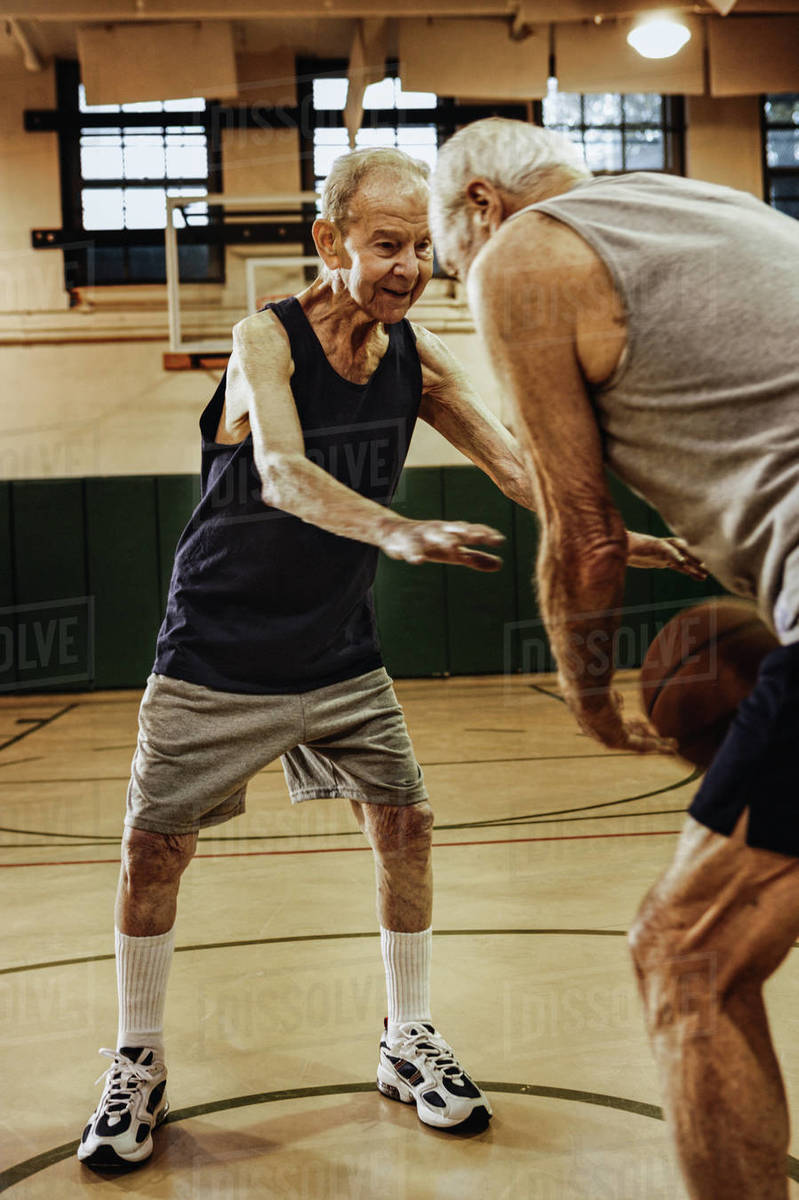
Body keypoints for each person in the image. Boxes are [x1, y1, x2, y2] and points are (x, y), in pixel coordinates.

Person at [78, 145, 702, 1170]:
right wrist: (392, 530)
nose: (411, 265)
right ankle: (138, 1061)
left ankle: (405, 1038)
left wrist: (619, 536)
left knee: (404, 822)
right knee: (155, 851)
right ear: (330, 241)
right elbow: (280, 471)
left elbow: (514, 467)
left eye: (423, 245)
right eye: (386, 244)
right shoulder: (261, 340)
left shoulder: (415, 354)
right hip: (217, 649)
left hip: (336, 653)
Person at [429, 116, 799, 1199]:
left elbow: (581, 535)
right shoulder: (713, 207)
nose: (462, 287)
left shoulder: (524, 255)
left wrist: (585, 690)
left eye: (451, 264)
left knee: (684, 956)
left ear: (482, 211)